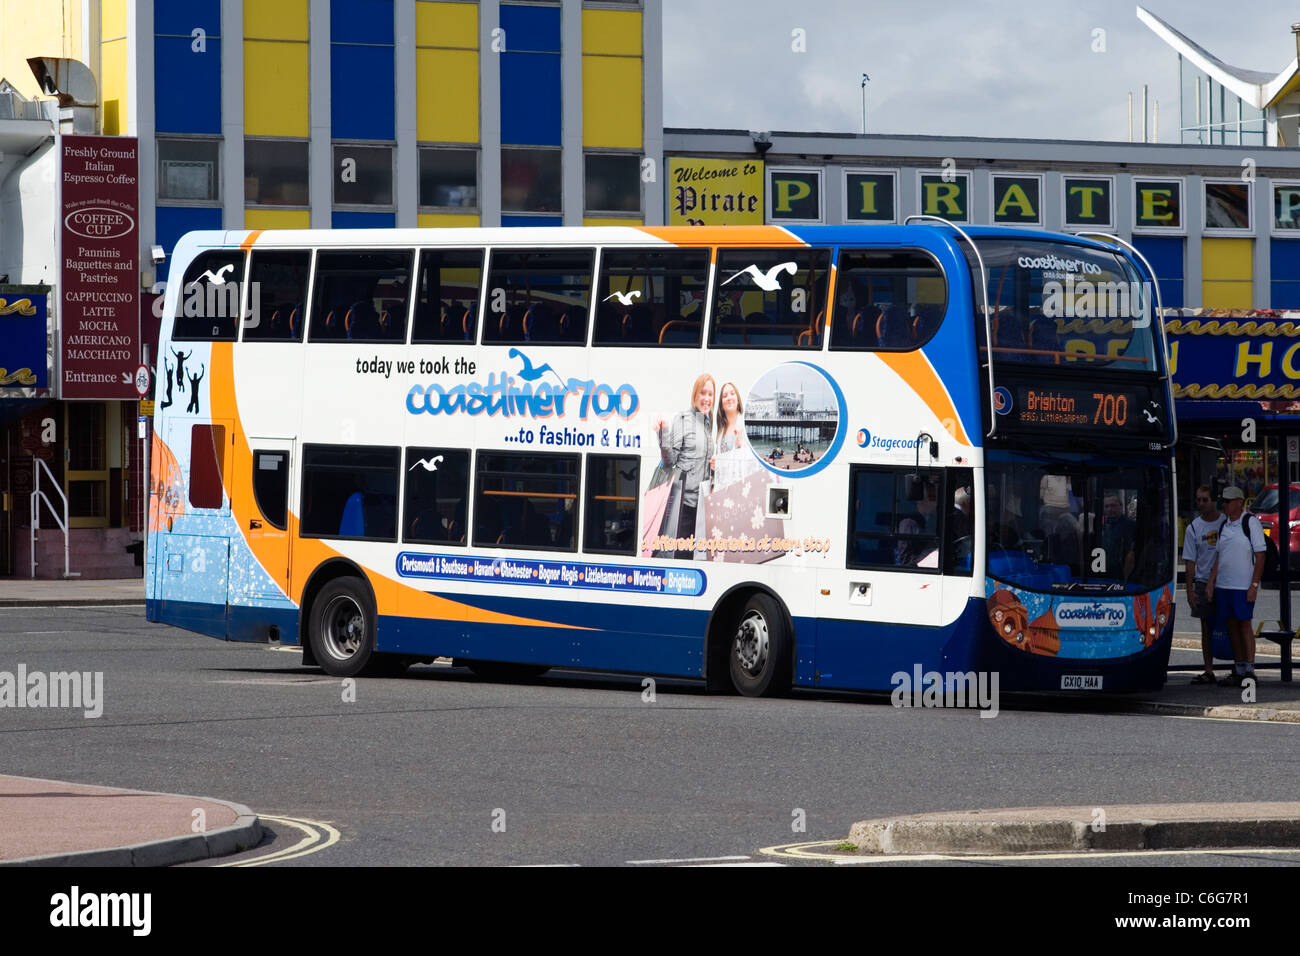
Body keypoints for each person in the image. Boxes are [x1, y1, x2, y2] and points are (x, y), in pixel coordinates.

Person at [1205, 486, 1267, 687]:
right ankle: (1239, 668)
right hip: (1225, 585)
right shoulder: (1224, 526)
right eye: (1223, 501)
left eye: (1228, 501)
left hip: (1243, 586)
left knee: (1244, 624)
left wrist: (1254, 585)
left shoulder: (1250, 523)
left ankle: (1249, 669)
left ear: (1240, 502)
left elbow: (1260, 556)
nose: (1224, 504)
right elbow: (1219, 556)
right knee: (1231, 625)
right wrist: (1211, 582)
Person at [654, 373, 715, 557]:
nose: (706, 398)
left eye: (710, 394)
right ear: (695, 394)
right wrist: (663, 434)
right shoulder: (683, 419)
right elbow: (669, 462)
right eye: (702, 393)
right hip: (684, 507)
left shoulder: (706, 422)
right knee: (682, 560)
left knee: (698, 558)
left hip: (701, 506)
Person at [1182, 485, 1226, 684]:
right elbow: (1190, 561)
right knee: (1206, 628)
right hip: (1201, 581)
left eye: (1205, 500)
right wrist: (1190, 590)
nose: (1201, 504)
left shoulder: (1225, 523)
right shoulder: (1193, 527)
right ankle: (1209, 670)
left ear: (1213, 501)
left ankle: (1240, 667)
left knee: (1231, 625)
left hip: (1225, 581)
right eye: (1198, 500)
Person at [711, 382, 752, 490]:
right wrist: (715, 464)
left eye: (732, 394)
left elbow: (756, 462)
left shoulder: (746, 425)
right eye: (724, 396)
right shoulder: (720, 432)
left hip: (743, 489)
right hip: (724, 491)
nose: (729, 398)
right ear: (721, 404)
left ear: (738, 399)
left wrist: (741, 445)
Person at [1100, 492, 1136, 580]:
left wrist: (1124, 579)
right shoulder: (1103, 525)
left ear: (1121, 506)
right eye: (1107, 506)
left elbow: (1131, 554)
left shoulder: (1129, 525)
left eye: (1113, 505)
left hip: (1120, 573)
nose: (1110, 509)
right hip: (1103, 571)